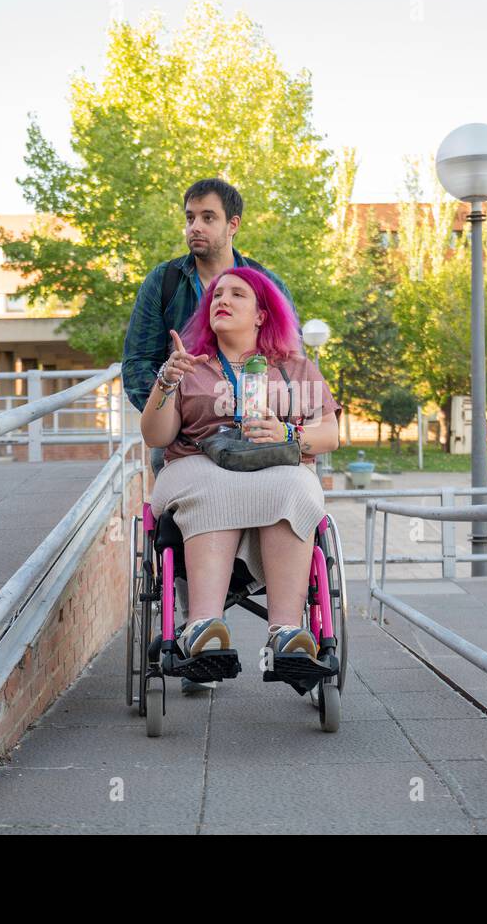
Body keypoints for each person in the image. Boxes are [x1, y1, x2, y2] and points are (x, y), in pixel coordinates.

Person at [122, 178, 300, 692]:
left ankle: (271, 612)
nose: (194, 227)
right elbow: (137, 359)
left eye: (206, 217)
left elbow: (290, 358)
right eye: (189, 217)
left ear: (232, 225)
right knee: (185, 509)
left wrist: (284, 421)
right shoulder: (166, 283)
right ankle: (196, 627)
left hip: (256, 429)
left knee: (282, 491)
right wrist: (171, 416)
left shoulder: (265, 282)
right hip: (187, 432)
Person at [139, 266, 341, 672]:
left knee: (297, 488)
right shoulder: (188, 366)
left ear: (262, 314)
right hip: (196, 465)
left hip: (275, 466)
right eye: (216, 296)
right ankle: (203, 626)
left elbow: (330, 434)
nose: (222, 301)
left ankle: (285, 633)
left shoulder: (296, 367)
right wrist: (166, 382)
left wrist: (288, 432)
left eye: (236, 295)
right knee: (215, 485)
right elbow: (156, 437)